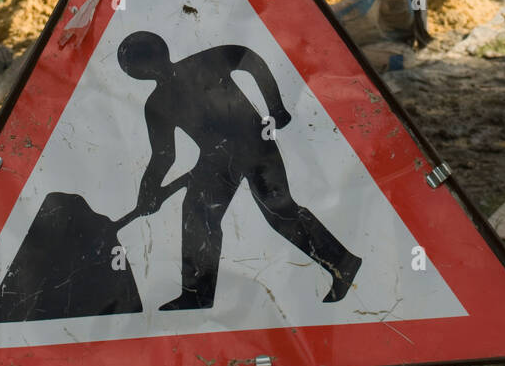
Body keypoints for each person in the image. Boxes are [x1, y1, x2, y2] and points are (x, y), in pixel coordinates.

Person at [118, 31, 361, 310]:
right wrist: (147, 192)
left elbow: (251, 61)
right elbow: (163, 156)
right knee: (197, 215)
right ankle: (198, 294)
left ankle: (343, 262)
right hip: (216, 159)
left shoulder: (203, 63)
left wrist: (276, 108)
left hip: (254, 142)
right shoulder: (157, 104)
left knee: (279, 210)